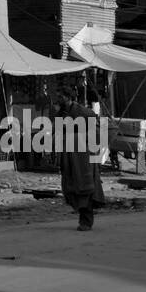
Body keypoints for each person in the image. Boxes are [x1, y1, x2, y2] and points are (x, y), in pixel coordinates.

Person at [58, 94, 106, 231]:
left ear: (69, 98)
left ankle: (86, 221)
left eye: (61, 97)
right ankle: (83, 219)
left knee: (86, 187)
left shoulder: (85, 113)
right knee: (71, 186)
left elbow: (97, 134)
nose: (59, 100)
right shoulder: (61, 113)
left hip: (84, 157)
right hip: (69, 157)